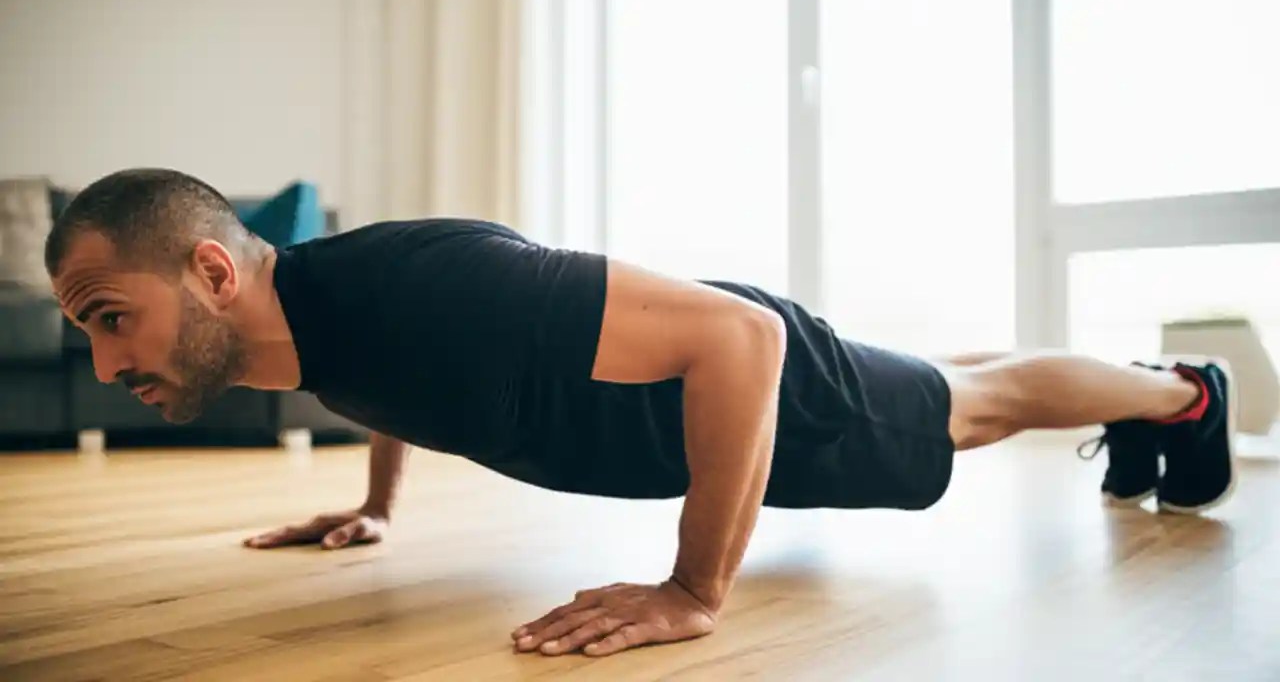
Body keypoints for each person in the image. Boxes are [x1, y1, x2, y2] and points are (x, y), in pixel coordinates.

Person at [44, 168, 1236, 659]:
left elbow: (741, 339)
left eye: (108, 316)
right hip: (720, 379)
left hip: (752, 374)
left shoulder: (423, 288)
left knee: (978, 408)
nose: (105, 365)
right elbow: (381, 381)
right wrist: (374, 505)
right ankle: (1148, 402)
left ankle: (1181, 395)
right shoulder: (300, 320)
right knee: (949, 381)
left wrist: (692, 591)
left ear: (208, 274)